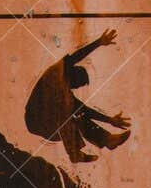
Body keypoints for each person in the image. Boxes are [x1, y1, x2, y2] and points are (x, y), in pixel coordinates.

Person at [23, 28, 131, 165]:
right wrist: (98, 42)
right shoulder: (56, 72)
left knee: (75, 114)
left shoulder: (63, 91)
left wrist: (109, 120)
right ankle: (75, 153)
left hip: (49, 126)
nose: (74, 88)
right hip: (35, 119)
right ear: (74, 75)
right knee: (67, 113)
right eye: (77, 84)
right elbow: (76, 56)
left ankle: (106, 139)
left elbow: (82, 109)